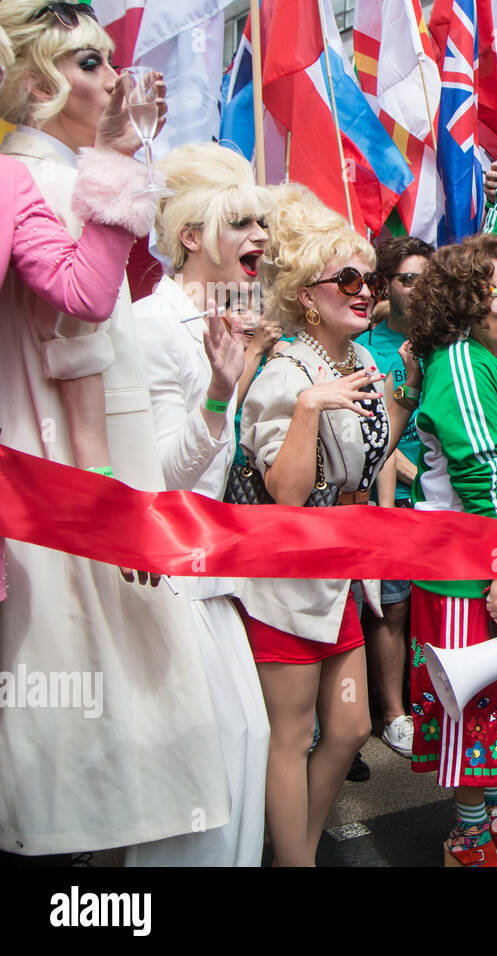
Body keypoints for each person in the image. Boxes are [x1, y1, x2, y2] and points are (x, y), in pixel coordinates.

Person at [0, 14, 235, 857]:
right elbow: (82, 304)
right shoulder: (22, 177)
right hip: (58, 473)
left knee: (99, 715)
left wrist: (122, 161)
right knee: (70, 714)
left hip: (86, 463)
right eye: (90, 62)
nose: (113, 78)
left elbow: (119, 294)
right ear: (38, 86)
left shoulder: (64, 174)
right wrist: (113, 165)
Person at [239, 190, 418, 866]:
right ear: (308, 295)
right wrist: (311, 406)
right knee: (290, 737)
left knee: (347, 727)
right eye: (348, 278)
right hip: (285, 579)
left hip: (336, 574)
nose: (364, 290)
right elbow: (286, 495)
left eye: (367, 277)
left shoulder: (364, 363)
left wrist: (404, 393)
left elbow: (373, 460)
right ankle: (296, 861)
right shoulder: (284, 376)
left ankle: (296, 851)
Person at [131, 141, 274, 865]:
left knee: (246, 746)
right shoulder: (152, 326)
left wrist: (235, 378)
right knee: (197, 778)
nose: (260, 238)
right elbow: (161, 475)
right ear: (192, 236)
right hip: (165, 586)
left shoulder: (224, 322)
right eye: (241, 222)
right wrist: (223, 392)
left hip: (213, 579)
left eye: (261, 223)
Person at [404, 233, 497, 867]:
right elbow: (482, 476)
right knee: (474, 707)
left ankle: (492, 824)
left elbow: (494, 238)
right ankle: (467, 838)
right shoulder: (464, 361)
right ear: (469, 299)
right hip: (472, 573)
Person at [363, 234, 433, 760]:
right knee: (391, 608)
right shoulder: (366, 344)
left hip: (437, 502)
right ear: (386, 284)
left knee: (430, 606)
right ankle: (392, 714)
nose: (417, 288)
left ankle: (429, 700)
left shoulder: (447, 342)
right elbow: (378, 434)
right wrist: (413, 470)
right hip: (384, 498)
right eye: (406, 278)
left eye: (425, 278)